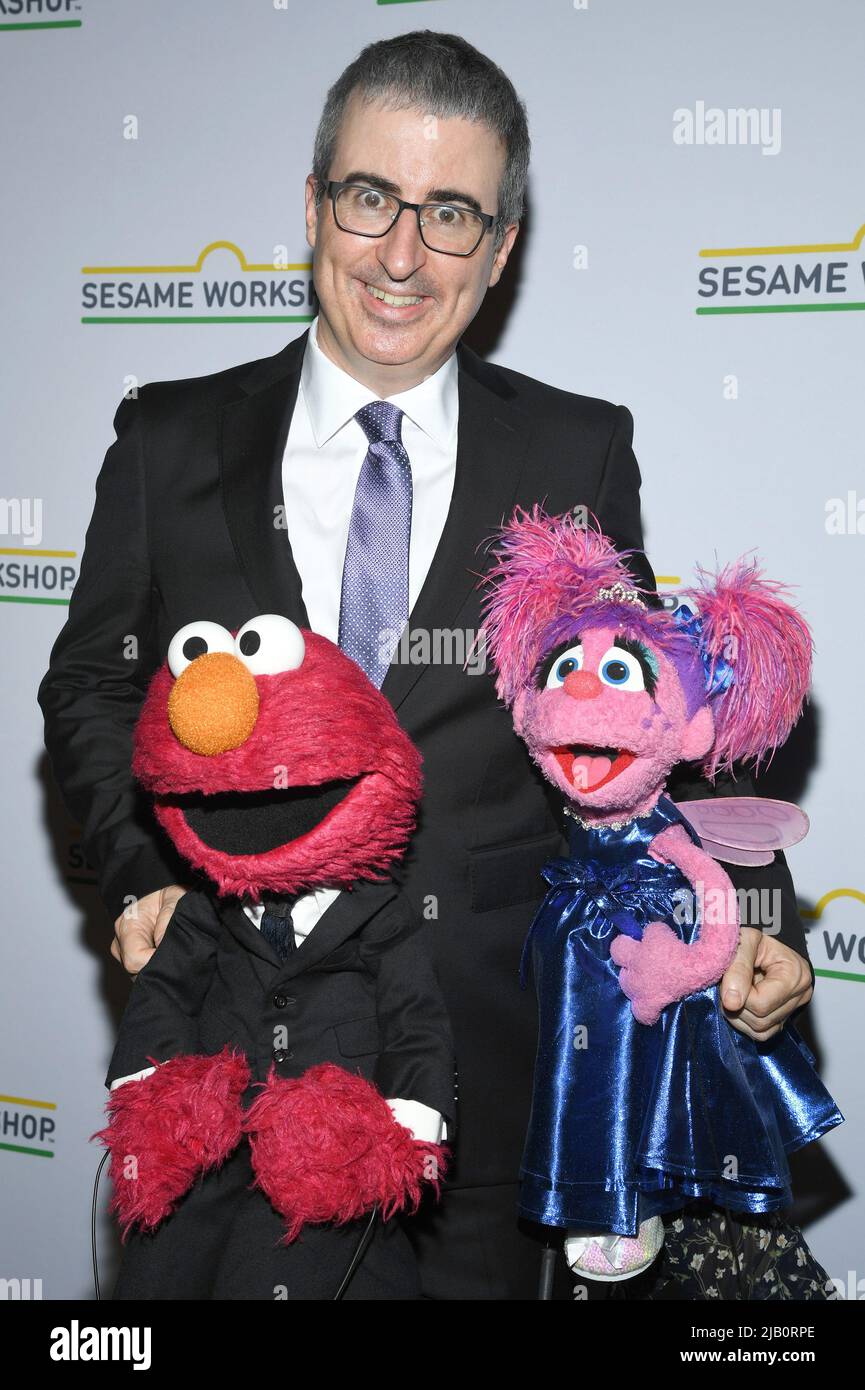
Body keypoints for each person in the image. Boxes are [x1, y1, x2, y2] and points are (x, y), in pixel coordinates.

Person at [37, 29, 816, 1300]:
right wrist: (137, 876)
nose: (401, 255)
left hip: (480, 1092)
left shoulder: (576, 451)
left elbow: (640, 715)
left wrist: (752, 911)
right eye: (369, 199)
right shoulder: (169, 437)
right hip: (220, 1077)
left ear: (502, 246)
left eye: (450, 213)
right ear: (311, 206)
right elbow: (93, 683)